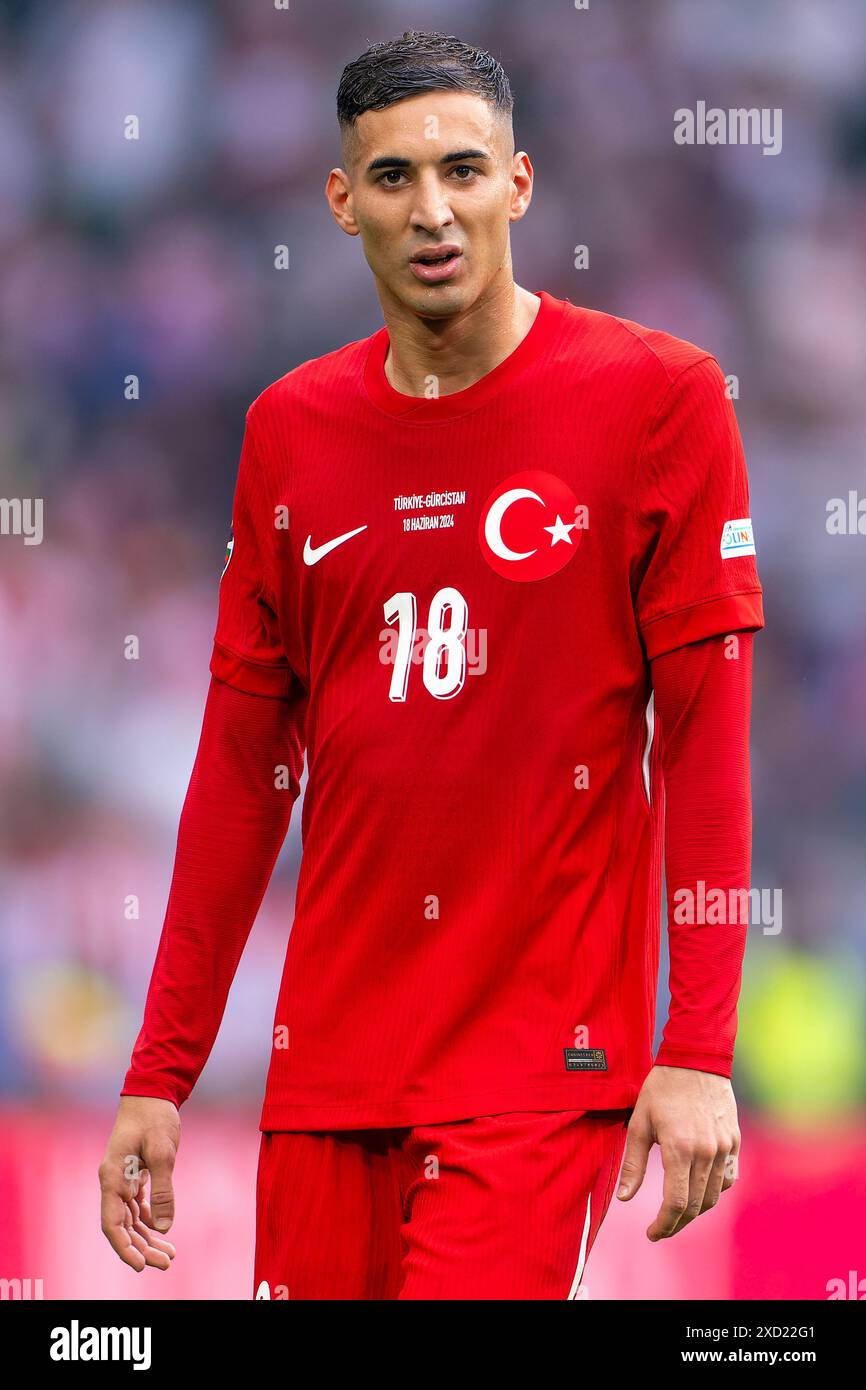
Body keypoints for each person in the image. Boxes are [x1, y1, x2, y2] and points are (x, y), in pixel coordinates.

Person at [99, 29, 764, 1300]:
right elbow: (243, 775)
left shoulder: (658, 401)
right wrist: (158, 1070)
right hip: (325, 1072)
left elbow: (703, 746)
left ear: (519, 182)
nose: (433, 209)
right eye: (393, 178)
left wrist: (698, 1046)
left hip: (536, 1068)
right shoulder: (288, 430)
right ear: (341, 203)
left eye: (463, 169)